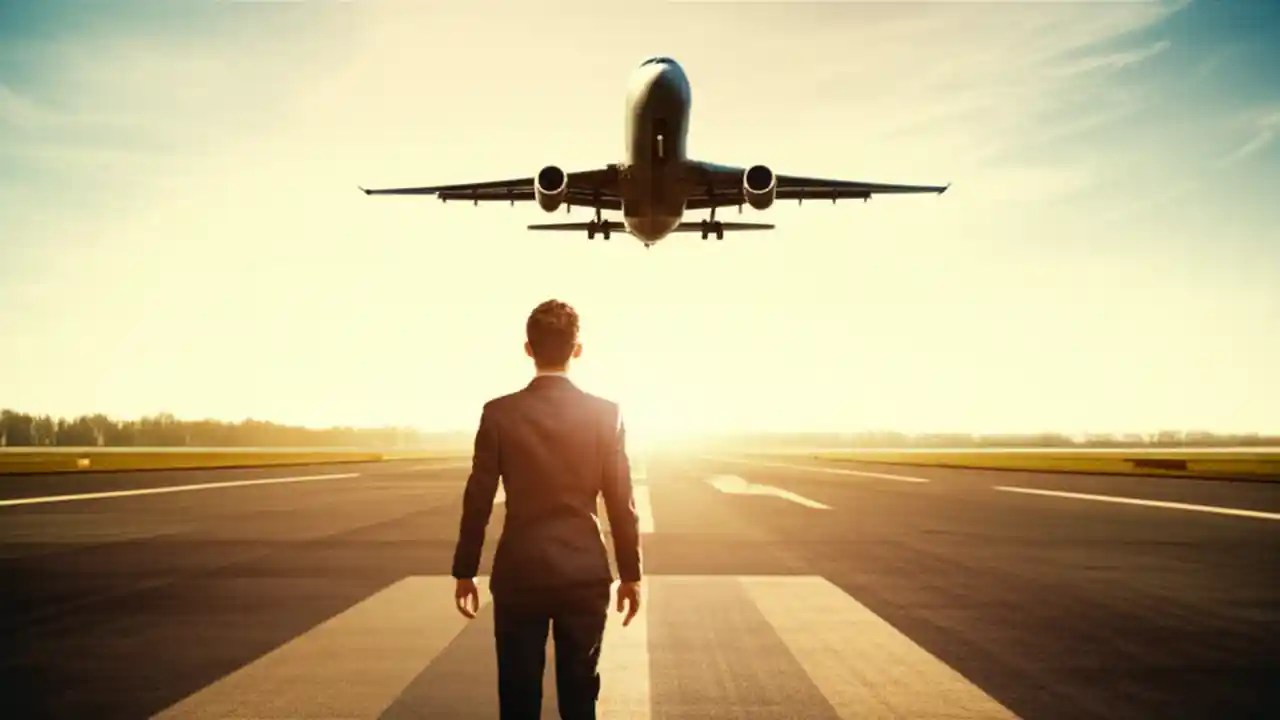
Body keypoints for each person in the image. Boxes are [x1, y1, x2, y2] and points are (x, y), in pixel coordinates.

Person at [451, 299, 643, 720]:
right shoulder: (605, 414)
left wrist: (465, 570)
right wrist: (630, 574)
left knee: (518, 698)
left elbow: (478, 498)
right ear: (577, 350)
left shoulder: (499, 413)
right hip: (583, 572)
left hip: (520, 572)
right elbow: (620, 501)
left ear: (528, 348)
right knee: (580, 698)